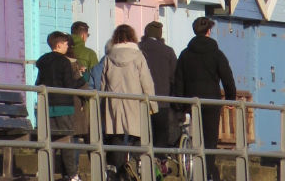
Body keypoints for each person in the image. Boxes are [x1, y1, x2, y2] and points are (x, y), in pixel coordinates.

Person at [173, 17, 236, 181]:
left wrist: (179, 104)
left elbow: (178, 80)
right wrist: (230, 99)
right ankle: (208, 173)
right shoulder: (216, 53)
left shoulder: (185, 54)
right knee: (210, 140)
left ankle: (196, 172)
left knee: (196, 137)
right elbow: (227, 77)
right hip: (212, 102)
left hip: (193, 102)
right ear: (209, 31)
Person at [101, 24, 158, 180]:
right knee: (138, 135)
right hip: (135, 102)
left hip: (114, 103)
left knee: (116, 136)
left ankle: (118, 171)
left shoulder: (108, 57)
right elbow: (146, 82)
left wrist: (102, 106)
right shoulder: (138, 56)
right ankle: (133, 164)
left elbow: (103, 84)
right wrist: (152, 105)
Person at [35, 31, 87, 181]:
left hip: (47, 106)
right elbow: (69, 85)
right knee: (66, 140)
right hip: (64, 106)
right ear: (58, 45)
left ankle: (44, 172)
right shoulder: (64, 62)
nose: (67, 46)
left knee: (48, 140)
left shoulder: (42, 61)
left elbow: (38, 83)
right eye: (65, 43)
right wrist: (83, 79)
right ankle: (72, 175)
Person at [138, 21, 178, 147]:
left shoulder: (138, 49)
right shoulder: (168, 51)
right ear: (160, 35)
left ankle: (142, 162)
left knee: (143, 136)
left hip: (141, 100)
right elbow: (174, 77)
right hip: (162, 101)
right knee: (161, 136)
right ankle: (160, 163)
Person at [70, 21, 99, 86]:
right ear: (83, 36)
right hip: (83, 92)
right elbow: (96, 77)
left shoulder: (63, 50)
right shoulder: (90, 54)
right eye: (87, 35)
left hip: (64, 92)